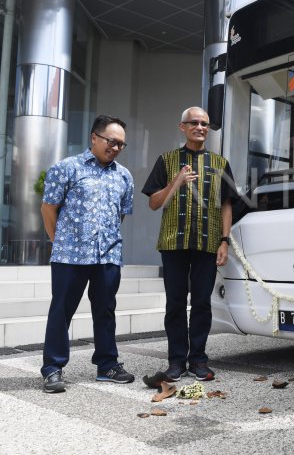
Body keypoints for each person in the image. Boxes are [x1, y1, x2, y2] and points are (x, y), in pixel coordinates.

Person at [40, 115, 135, 393]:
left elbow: (120, 216)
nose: (116, 147)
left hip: (108, 256)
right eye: (111, 141)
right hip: (70, 255)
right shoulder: (66, 168)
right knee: (61, 312)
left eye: (121, 144)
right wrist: (60, 242)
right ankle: (52, 369)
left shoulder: (124, 176)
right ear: (94, 137)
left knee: (105, 311)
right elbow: (48, 209)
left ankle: (107, 365)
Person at [142, 107, 236, 382]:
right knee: (174, 303)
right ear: (181, 127)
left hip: (208, 243)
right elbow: (153, 203)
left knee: (202, 303)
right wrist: (177, 181)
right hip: (173, 243)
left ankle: (198, 360)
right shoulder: (167, 160)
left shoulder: (220, 163)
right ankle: (175, 361)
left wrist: (224, 241)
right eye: (194, 122)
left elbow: (226, 206)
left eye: (205, 124)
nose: (200, 127)